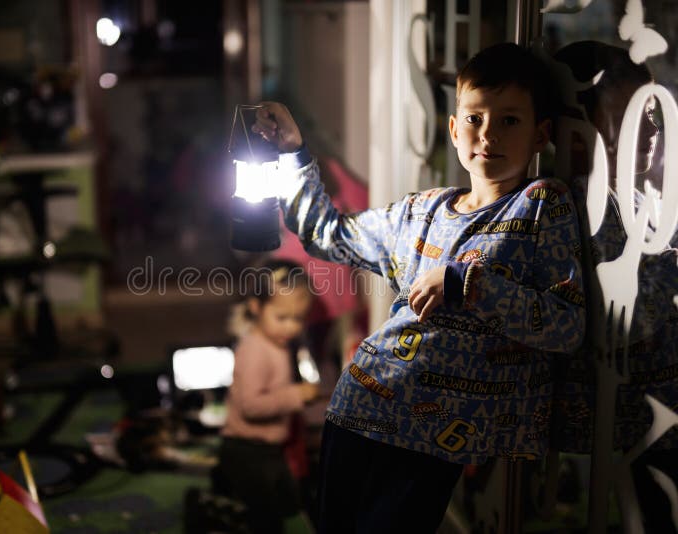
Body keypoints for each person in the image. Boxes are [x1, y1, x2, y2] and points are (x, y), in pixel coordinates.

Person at [251, 42, 586, 533]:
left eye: (509, 121)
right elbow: (327, 234)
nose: (487, 134)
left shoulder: (541, 206)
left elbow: (565, 326)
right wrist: (294, 152)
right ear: (453, 129)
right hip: (358, 410)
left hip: (437, 437)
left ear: (541, 135)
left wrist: (465, 284)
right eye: (474, 119)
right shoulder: (419, 211)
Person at [552, 40, 678, 533]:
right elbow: (628, 321)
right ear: (576, 134)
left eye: (650, 118)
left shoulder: (651, 196)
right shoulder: (573, 211)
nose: (647, 136)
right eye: (624, 124)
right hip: (618, 422)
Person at [213, 259, 319, 534]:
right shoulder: (254, 350)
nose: (291, 327)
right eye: (282, 318)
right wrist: (296, 394)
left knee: (287, 503)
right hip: (246, 449)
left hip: (270, 449)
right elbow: (250, 406)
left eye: (298, 318)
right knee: (265, 519)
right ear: (256, 307)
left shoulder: (278, 343)